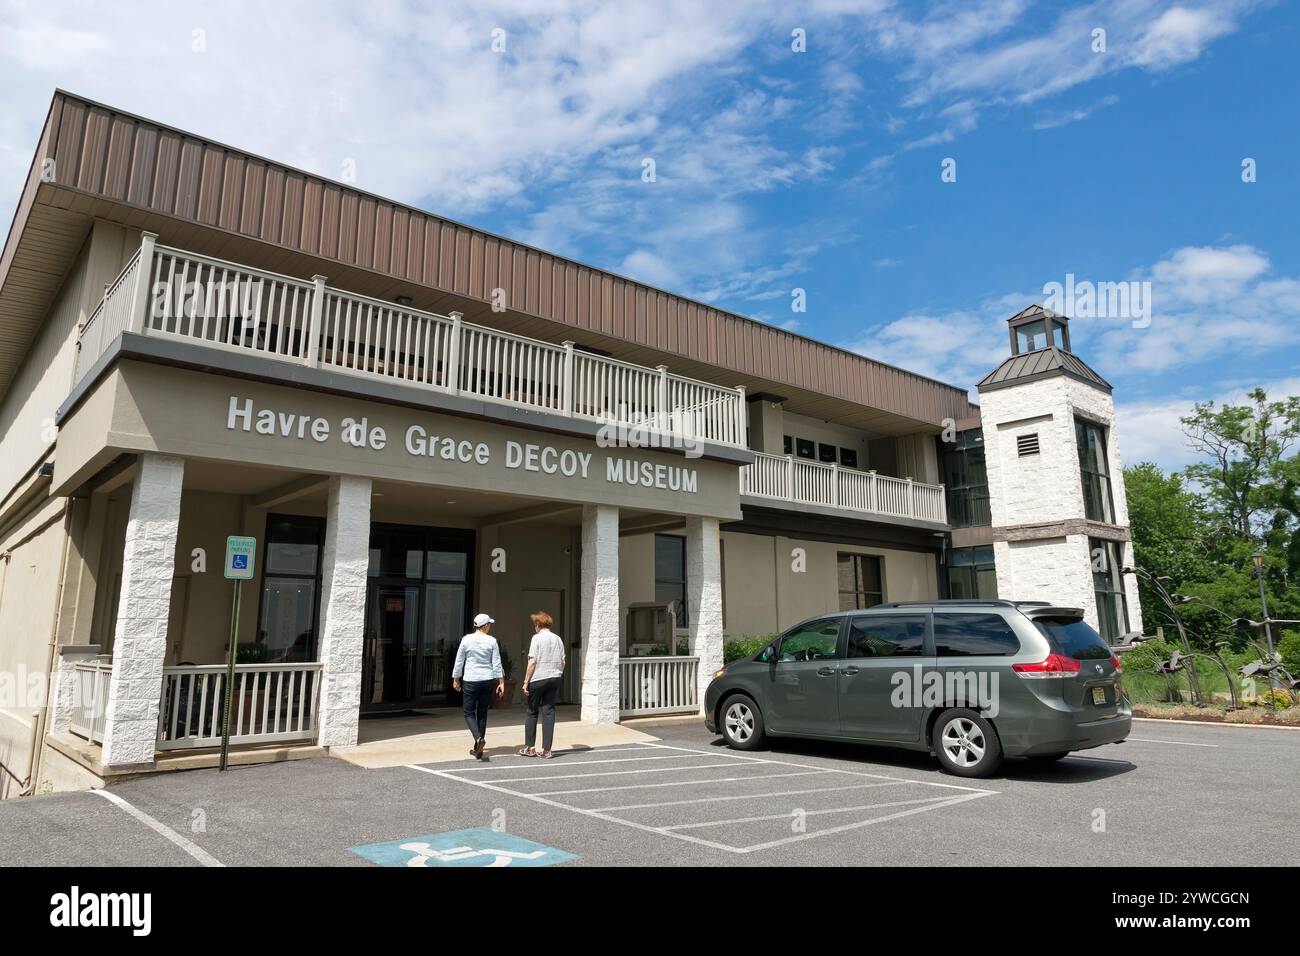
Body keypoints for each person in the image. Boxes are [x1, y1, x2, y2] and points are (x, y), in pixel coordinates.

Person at [452, 613, 504, 759]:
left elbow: (459, 660)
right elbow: (496, 662)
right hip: (487, 680)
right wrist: (501, 682)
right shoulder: (492, 641)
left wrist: (456, 678)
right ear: (485, 626)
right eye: (489, 624)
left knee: (469, 712)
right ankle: (478, 746)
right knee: (482, 712)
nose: (490, 626)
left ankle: (478, 739)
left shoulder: (466, 639)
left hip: (471, 679)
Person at [517, 610, 566, 759]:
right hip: (554, 677)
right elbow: (563, 662)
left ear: (538, 624)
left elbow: (532, 661)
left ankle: (530, 747)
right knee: (549, 712)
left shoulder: (536, 638)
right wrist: (558, 673)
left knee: (532, 711)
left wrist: (526, 681)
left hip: (538, 678)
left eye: (535, 624)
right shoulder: (558, 639)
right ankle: (547, 750)